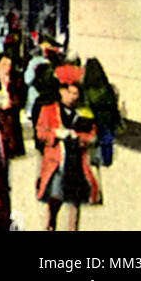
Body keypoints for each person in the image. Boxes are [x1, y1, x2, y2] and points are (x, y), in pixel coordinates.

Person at [35, 64, 99, 231]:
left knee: (74, 200)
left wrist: (78, 137)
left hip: (76, 162)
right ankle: (51, 224)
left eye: (76, 94)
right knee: (55, 196)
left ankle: (72, 228)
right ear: (62, 92)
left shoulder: (83, 115)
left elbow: (92, 135)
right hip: (56, 162)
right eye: (69, 92)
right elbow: (41, 132)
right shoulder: (48, 110)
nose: (72, 97)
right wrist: (55, 134)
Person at [82, 58, 122, 167]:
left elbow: (86, 103)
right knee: (108, 139)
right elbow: (113, 103)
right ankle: (107, 160)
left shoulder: (87, 88)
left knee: (96, 139)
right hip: (108, 117)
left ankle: (95, 159)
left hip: (95, 117)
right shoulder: (107, 87)